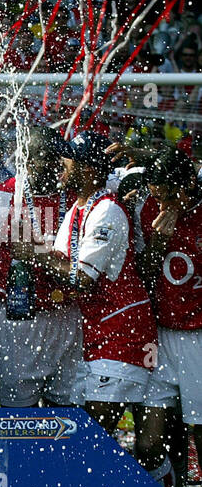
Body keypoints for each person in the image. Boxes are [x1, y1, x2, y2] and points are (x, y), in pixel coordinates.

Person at [9, 132, 158, 456]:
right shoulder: (79, 208)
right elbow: (60, 265)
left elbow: (80, 278)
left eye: (68, 158)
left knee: (90, 445)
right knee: (85, 445)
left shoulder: (107, 212)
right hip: (95, 336)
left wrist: (33, 254)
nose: (59, 164)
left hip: (122, 337)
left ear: (89, 169)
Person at [0, 124, 84, 408]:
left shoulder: (77, 195)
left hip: (67, 315)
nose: (55, 167)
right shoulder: (0, 199)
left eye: (58, 159)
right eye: (47, 158)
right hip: (20, 319)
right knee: (19, 418)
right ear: (27, 161)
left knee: (68, 415)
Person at [130, 147, 201, 487]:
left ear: (189, 184)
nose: (163, 205)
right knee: (147, 444)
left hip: (197, 337)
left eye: (170, 196)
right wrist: (159, 239)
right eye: (157, 197)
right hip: (157, 337)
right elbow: (141, 276)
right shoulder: (146, 211)